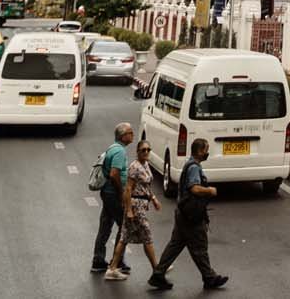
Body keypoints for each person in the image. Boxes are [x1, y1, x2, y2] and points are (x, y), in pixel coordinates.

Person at [150, 137, 226, 291]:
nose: (207, 153)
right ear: (199, 151)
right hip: (191, 216)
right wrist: (210, 190)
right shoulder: (194, 168)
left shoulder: (191, 164)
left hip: (183, 213)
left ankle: (158, 274)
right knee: (200, 246)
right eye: (206, 150)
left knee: (175, 245)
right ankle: (209, 277)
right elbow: (194, 188)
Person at [105, 139, 165, 281]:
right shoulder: (135, 166)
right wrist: (129, 209)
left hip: (142, 204)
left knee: (124, 237)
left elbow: (146, 187)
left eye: (148, 150)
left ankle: (112, 268)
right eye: (143, 150)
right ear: (137, 151)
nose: (146, 152)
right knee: (147, 236)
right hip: (136, 205)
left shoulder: (145, 165)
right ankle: (157, 269)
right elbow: (129, 189)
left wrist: (154, 199)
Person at [93, 123, 134, 273]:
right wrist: (121, 193)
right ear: (123, 136)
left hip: (107, 193)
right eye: (130, 132)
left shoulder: (113, 148)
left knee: (105, 226)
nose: (133, 134)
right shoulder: (119, 152)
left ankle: (98, 260)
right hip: (113, 194)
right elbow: (114, 174)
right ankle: (118, 261)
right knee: (124, 226)